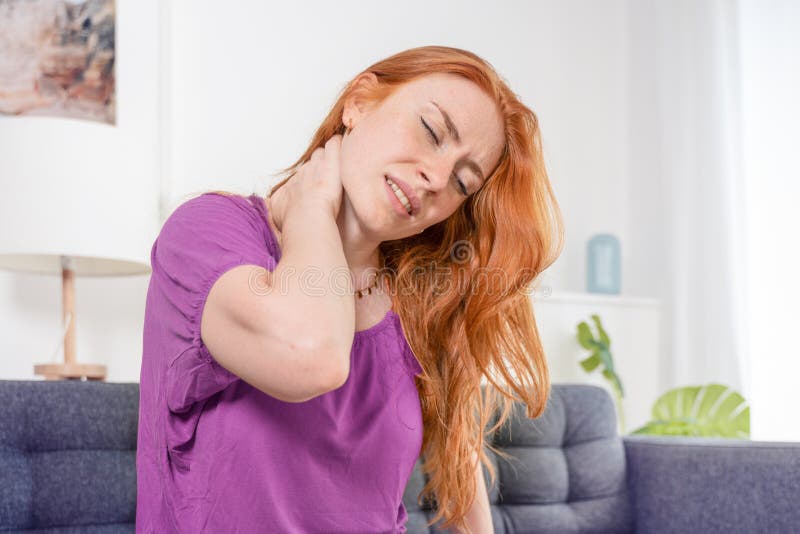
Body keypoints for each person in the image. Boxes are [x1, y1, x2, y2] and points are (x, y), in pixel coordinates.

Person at [135, 45, 564, 533]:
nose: (436, 178)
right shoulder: (208, 233)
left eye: (462, 184)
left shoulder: (422, 306)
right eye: (430, 131)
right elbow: (311, 356)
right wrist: (313, 209)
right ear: (359, 101)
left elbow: (460, 473)